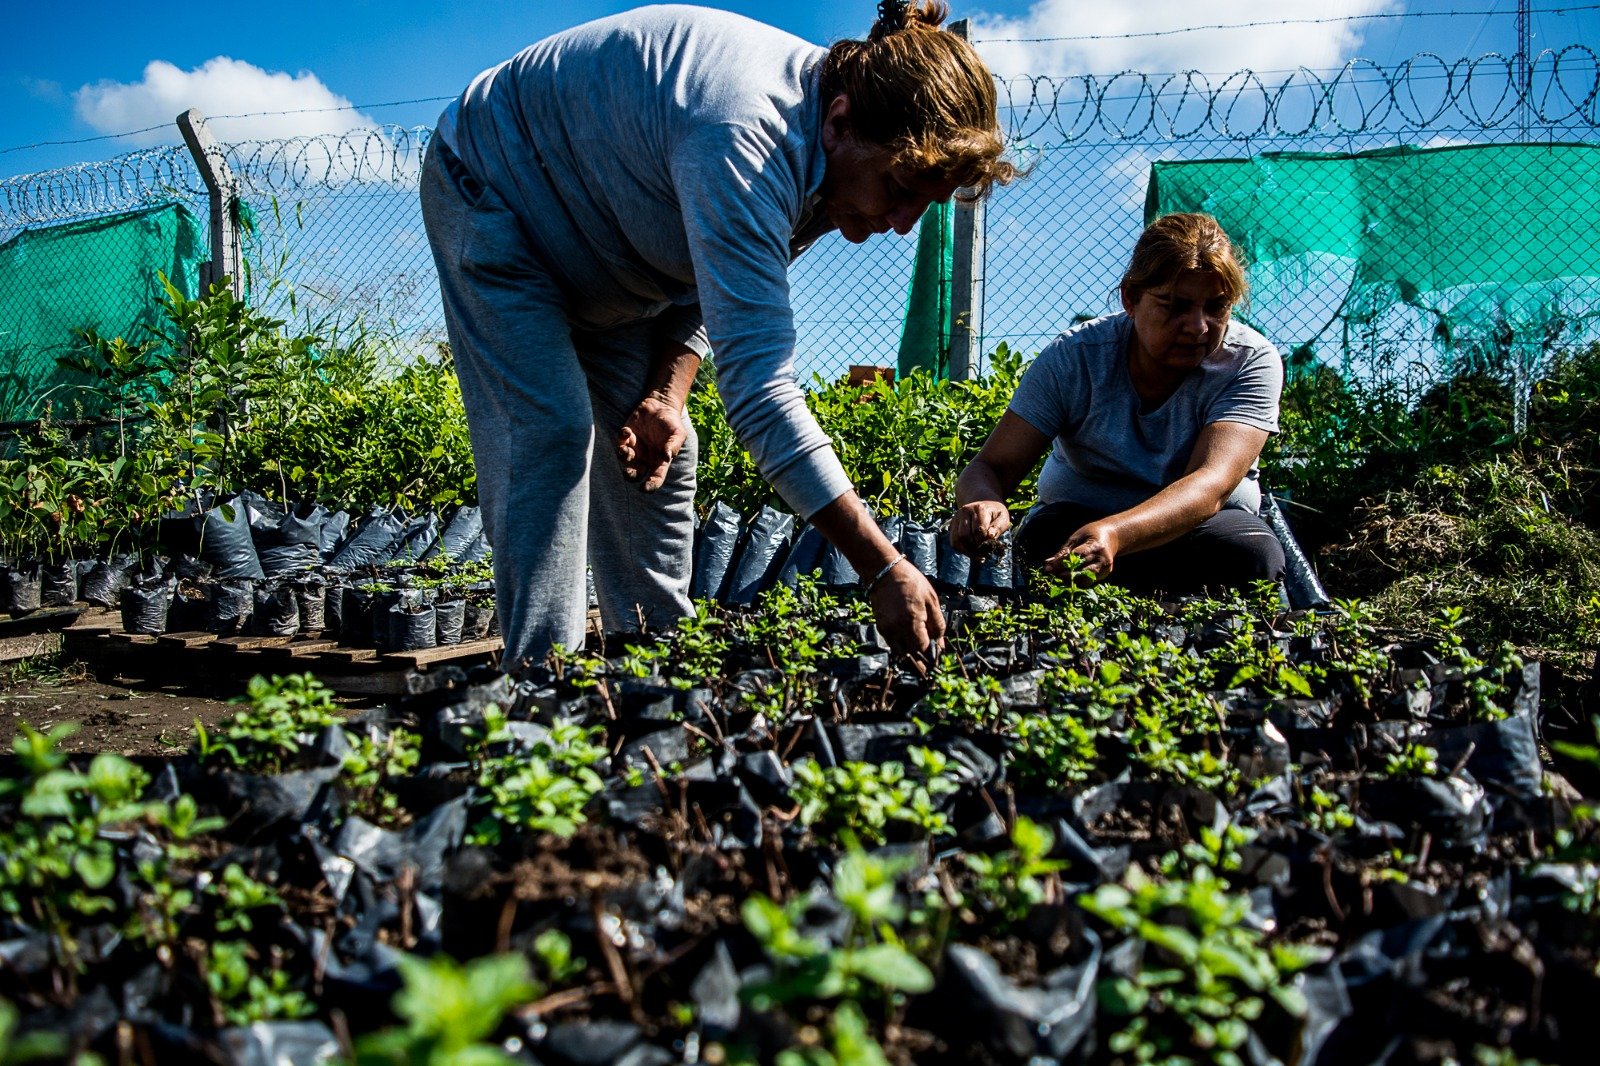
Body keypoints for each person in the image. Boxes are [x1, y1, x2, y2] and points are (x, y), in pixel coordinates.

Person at [420, 1, 1014, 668]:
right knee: (551, 433)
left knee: (662, 453)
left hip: (613, 263)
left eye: (922, 205)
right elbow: (761, 394)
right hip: (496, 199)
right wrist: (881, 566)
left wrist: (666, 395)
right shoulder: (746, 138)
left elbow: (710, 286)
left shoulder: (828, 168)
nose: (903, 223)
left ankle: (649, 666)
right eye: (901, 188)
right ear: (843, 121)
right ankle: (538, 690)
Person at [949, 212, 1286, 597]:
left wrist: (1117, 534)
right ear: (1130, 298)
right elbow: (990, 466)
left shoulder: (1248, 361)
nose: (1197, 326)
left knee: (1251, 555)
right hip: (1080, 521)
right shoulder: (1076, 357)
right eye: (1174, 306)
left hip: (1199, 528)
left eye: (1216, 306)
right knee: (1044, 544)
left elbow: (1210, 485)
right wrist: (982, 503)